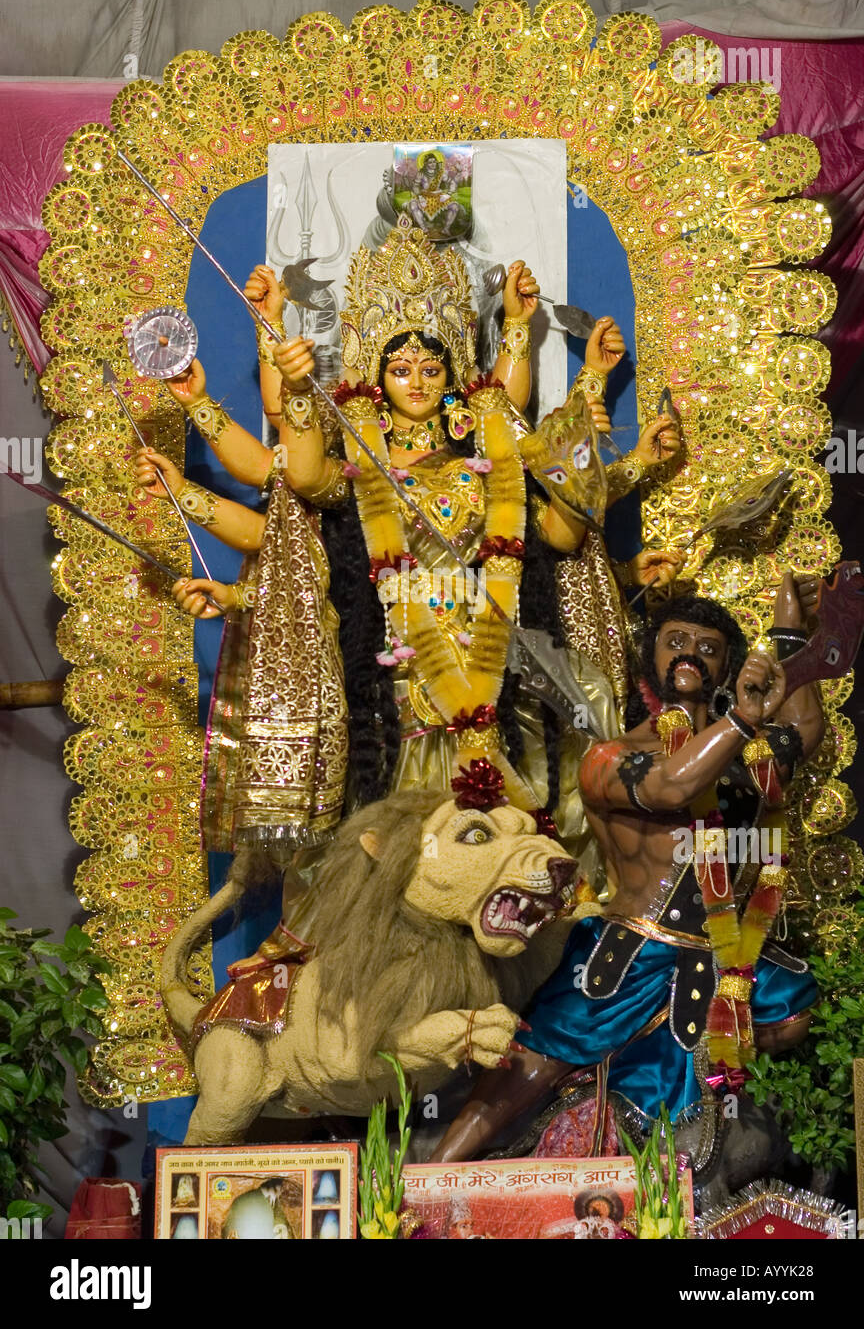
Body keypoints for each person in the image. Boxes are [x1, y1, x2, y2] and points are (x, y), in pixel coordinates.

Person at [135, 216, 682, 864]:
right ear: (377, 380)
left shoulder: (492, 469)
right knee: (399, 857)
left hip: (495, 672)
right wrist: (282, 381)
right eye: (401, 367)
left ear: (454, 378)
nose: (418, 379)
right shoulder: (360, 472)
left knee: (517, 843)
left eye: (430, 366)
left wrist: (609, 423)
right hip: (397, 689)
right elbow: (291, 480)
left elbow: (562, 515)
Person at [431, 577, 824, 1162]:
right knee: (528, 1071)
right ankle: (429, 1180)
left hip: (719, 952)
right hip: (627, 952)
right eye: (676, 640)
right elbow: (673, 786)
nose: (690, 653)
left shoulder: (748, 756)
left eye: (709, 647)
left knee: (794, 1011)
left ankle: (660, 1146)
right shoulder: (613, 756)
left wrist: (792, 633)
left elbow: (803, 735)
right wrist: (741, 721)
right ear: (652, 656)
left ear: (726, 667)